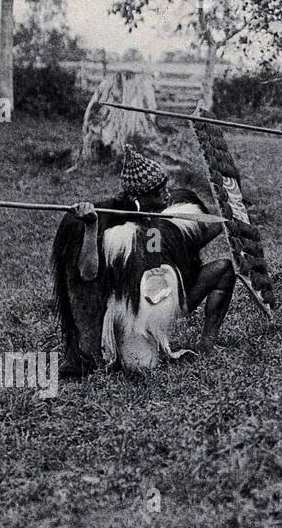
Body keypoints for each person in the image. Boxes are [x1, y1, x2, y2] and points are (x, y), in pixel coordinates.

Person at [52, 145, 235, 375]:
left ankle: (208, 343)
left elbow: (186, 244)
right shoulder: (117, 234)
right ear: (140, 198)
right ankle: (123, 347)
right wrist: (90, 226)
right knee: (142, 366)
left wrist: (227, 219)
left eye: (165, 189)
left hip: (167, 300)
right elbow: (88, 273)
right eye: (160, 193)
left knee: (224, 269)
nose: (168, 196)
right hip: (133, 319)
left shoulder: (155, 222)